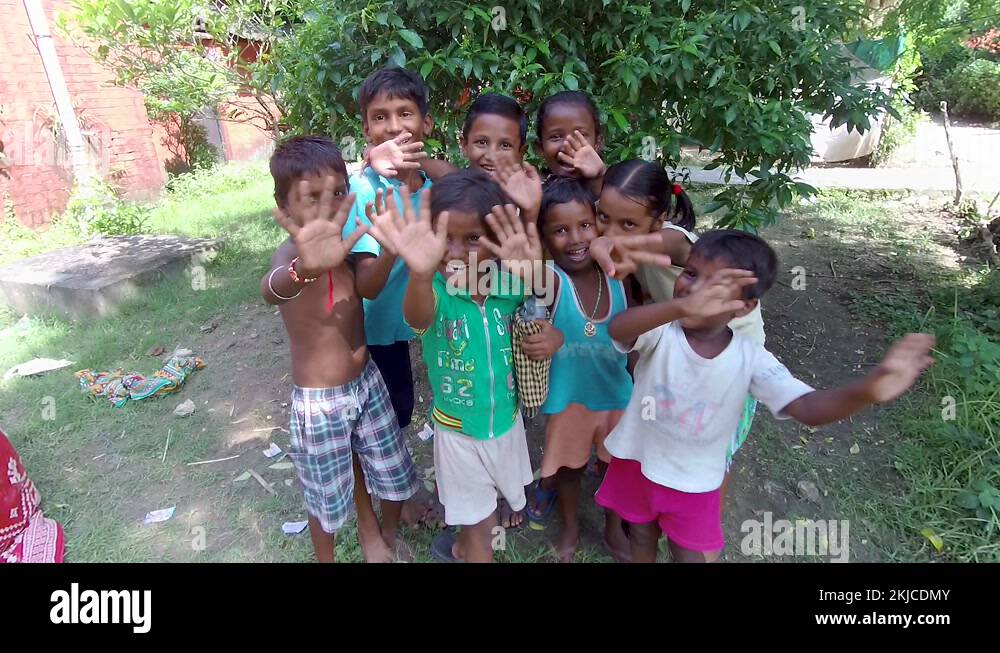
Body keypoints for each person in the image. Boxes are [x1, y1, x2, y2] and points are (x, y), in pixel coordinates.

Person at [597, 230, 935, 562]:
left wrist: (867, 391)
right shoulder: (661, 331)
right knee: (640, 534)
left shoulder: (751, 358)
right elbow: (619, 328)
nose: (694, 289)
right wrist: (679, 307)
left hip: (695, 481)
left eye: (715, 286)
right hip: (638, 462)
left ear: (745, 307)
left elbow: (806, 407)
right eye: (690, 273)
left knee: (688, 553)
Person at [261, 136, 419, 562]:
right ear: (284, 204)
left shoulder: (346, 246)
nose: (328, 205)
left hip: (367, 382)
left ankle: (384, 539)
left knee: (391, 469)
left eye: (337, 193)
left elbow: (368, 287)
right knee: (326, 498)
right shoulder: (292, 254)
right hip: (321, 402)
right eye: (311, 197)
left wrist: (389, 249)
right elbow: (271, 290)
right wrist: (303, 270)